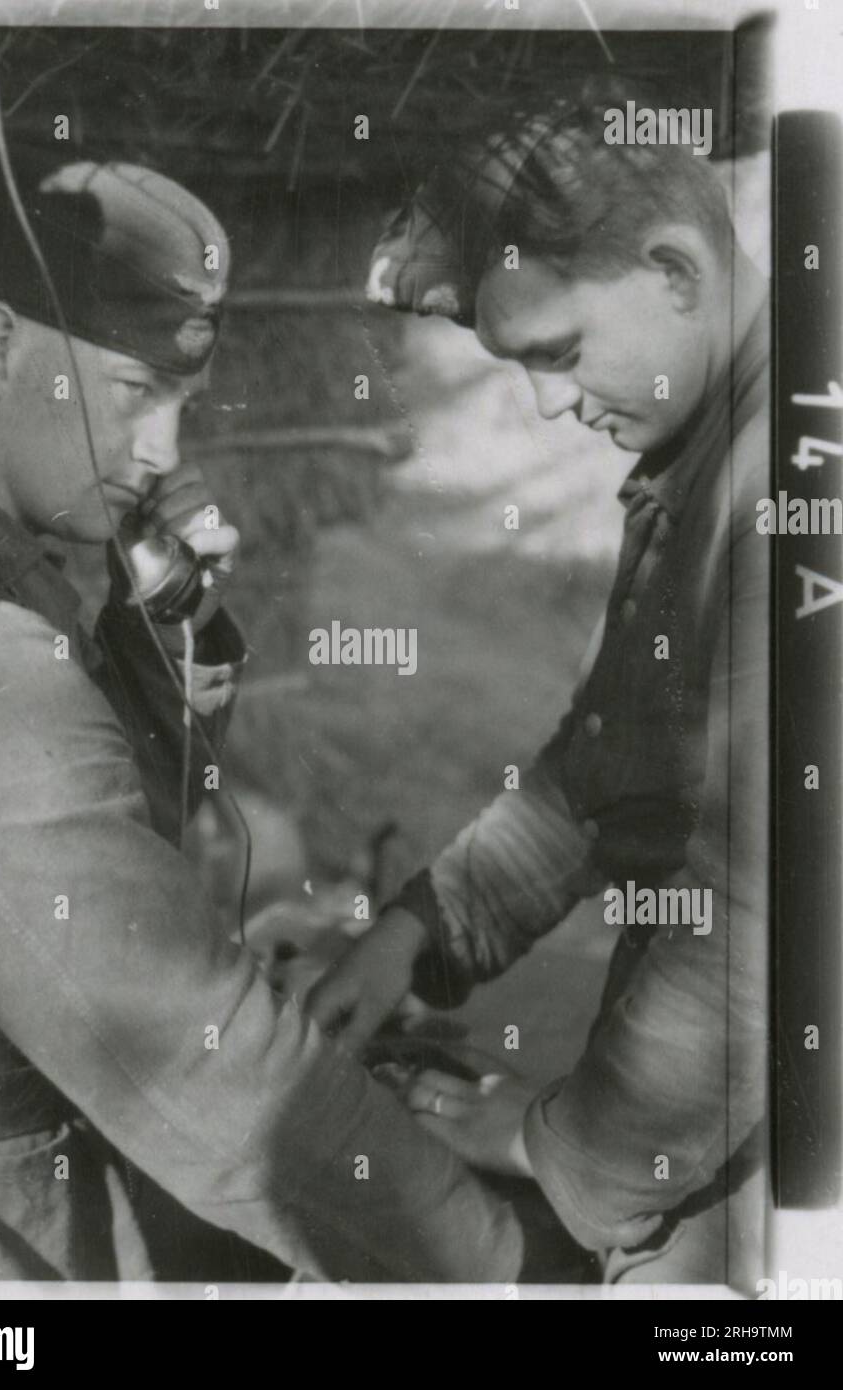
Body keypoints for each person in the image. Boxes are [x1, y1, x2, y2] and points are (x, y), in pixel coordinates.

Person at [0, 146, 524, 1284]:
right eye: (136, 391)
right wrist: (492, 1265)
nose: (167, 451)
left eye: (181, 400)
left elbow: (71, 878)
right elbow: (199, 1060)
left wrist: (149, 653)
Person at [308, 87, 770, 1286]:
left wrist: (551, 1140)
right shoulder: (702, 457)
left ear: (675, 270)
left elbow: (758, 927)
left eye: (557, 353)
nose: (547, 404)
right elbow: (605, 761)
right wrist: (419, 930)